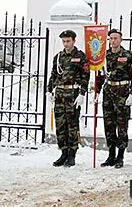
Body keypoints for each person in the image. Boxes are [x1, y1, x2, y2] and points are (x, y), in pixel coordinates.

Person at [97, 29, 132, 168]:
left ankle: (120, 156)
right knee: (109, 124)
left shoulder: (127, 55)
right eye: (111, 38)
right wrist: (97, 91)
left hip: (122, 92)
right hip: (108, 90)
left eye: (115, 38)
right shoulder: (105, 55)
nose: (113, 41)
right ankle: (111, 155)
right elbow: (100, 74)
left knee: (122, 125)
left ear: (121, 40)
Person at [47, 29, 89, 167]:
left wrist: (82, 93)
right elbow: (53, 75)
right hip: (59, 94)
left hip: (73, 94)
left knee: (72, 125)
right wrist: (49, 90)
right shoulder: (58, 57)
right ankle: (63, 153)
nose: (66, 44)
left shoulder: (81, 56)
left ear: (74, 40)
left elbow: (85, 76)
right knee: (60, 125)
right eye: (64, 41)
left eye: (68, 41)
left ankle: (72, 154)